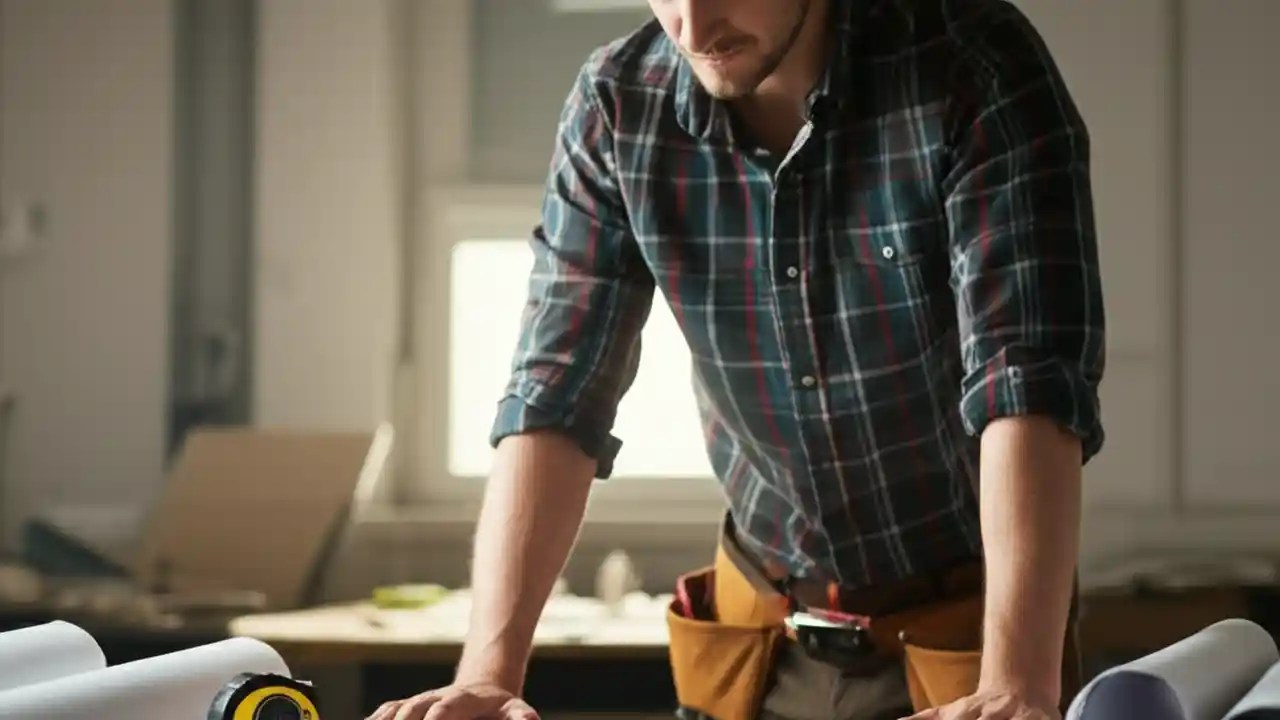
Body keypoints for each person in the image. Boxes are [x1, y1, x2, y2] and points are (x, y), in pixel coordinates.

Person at [368, 0, 1104, 717]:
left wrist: (1019, 681)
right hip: (759, 635)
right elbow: (555, 396)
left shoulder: (973, 63)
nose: (694, 24)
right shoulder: (618, 104)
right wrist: (489, 675)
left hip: (971, 636)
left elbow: (1025, 383)